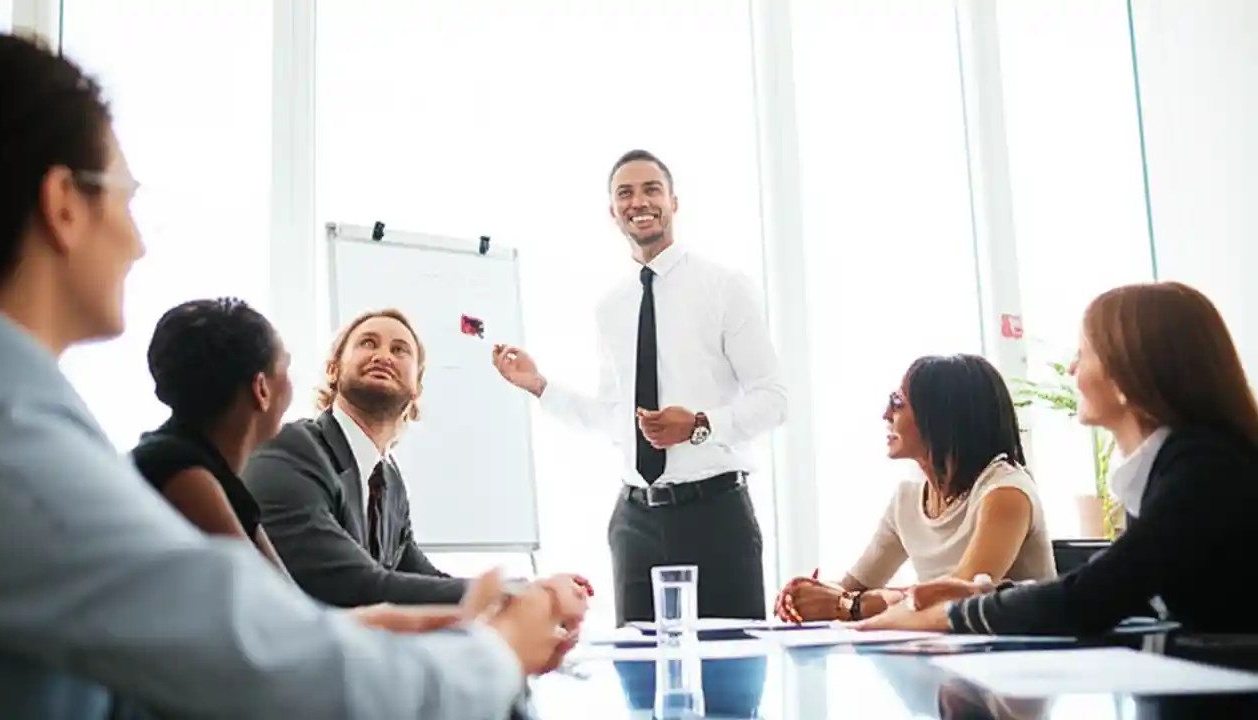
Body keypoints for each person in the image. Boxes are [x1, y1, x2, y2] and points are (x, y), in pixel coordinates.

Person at [0, 29, 585, 719]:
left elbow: (222, 641)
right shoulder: (10, 440)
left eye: (402, 349)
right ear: (63, 205)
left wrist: (393, 629)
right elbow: (259, 653)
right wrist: (499, 649)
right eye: (125, 193)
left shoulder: (28, 422)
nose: (139, 241)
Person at [855, 281, 1258, 636]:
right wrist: (988, 598)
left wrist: (955, 614)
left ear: (1127, 376)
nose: (1072, 368)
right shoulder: (1168, 470)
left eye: (1085, 353)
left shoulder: (1203, 469)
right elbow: (1134, 594)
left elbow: (1096, 596)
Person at [492, 149, 788, 624]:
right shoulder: (612, 307)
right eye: (624, 193)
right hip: (635, 522)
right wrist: (540, 386)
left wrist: (698, 425)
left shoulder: (724, 286)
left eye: (652, 189)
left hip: (716, 514)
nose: (639, 202)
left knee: (731, 678)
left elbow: (773, 399)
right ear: (613, 212)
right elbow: (614, 417)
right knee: (640, 684)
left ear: (674, 201)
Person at [243, 308, 595, 607]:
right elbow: (353, 586)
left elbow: (421, 579)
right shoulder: (291, 450)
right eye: (367, 343)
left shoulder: (389, 481)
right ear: (334, 370)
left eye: (400, 350)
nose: (383, 355)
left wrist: (533, 591)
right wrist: (515, 593)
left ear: (416, 389)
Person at [773, 354, 1056, 623]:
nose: (885, 415)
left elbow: (958, 597)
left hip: (1019, 660)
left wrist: (853, 605)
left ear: (942, 415)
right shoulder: (907, 500)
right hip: (954, 654)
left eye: (897, 402)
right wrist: (807, 596)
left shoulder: (1006, 493)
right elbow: (850, 587)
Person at [130, 298, 293, 574]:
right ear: (261, 389)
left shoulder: (192, 463)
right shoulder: (180, 472)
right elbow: (270, 602)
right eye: (286, 369)